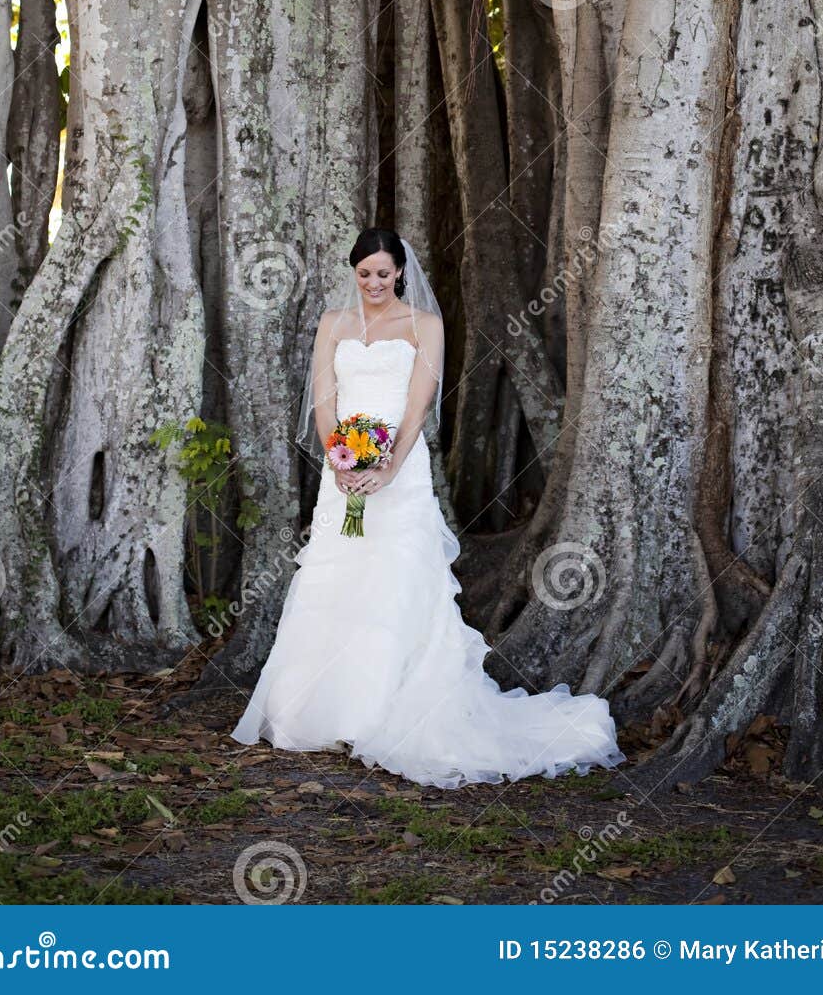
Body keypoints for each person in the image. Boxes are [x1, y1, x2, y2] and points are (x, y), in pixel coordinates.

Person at [231, 226, 625, 787]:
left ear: (400, 272)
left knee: (395, 575)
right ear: (353, 273)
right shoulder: (333, 324)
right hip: (343, 470)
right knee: (337, 575)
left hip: (400, 469)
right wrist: (340, 460)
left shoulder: (425, 326)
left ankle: (384, 711)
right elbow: (324, 399)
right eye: (363, 274)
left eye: (382, 273)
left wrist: (386, 468)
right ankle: (321, 710)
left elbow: (417, 407)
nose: (373, 283)